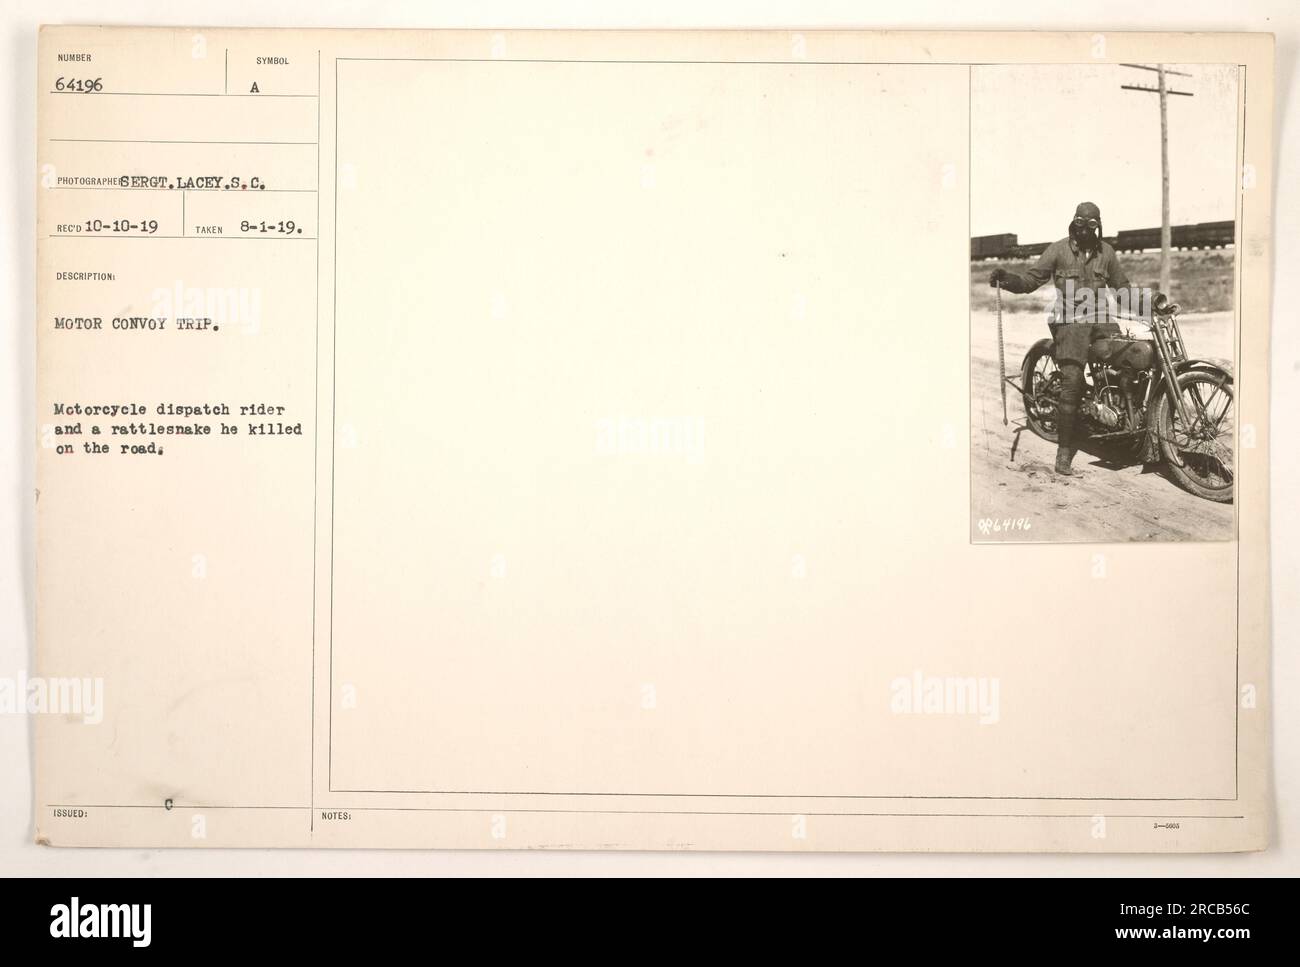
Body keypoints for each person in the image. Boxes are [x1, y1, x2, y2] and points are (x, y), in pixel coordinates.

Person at [989, 202, 1136, 476]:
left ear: (1098, 226)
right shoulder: (1058, 250)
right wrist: (1006, 279)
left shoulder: (1107, 253)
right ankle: (1064, 451)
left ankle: (1120, 419)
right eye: (1079, 223)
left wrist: (1154, 304)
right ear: (1073, 223)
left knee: (1127, 357)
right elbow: (1030, 280)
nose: (1084, 229)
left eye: (1091, 224)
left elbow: (1123, 288)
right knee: (1072, 381)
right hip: (1069, 322)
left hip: (1099, 319)